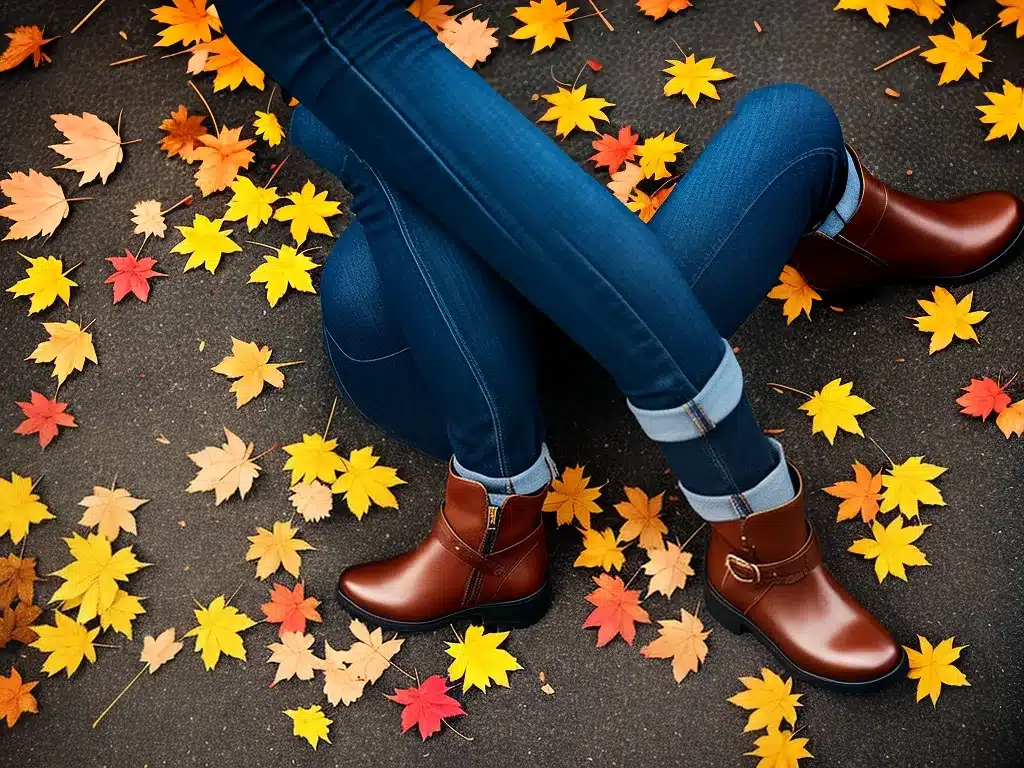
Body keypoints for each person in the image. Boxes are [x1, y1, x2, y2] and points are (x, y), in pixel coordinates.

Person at [215, 0, 1023, 692]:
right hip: (432, 370)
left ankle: (854, 234)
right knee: (371, 150)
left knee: (793, 125)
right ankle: (695, 531)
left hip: (568, 336)